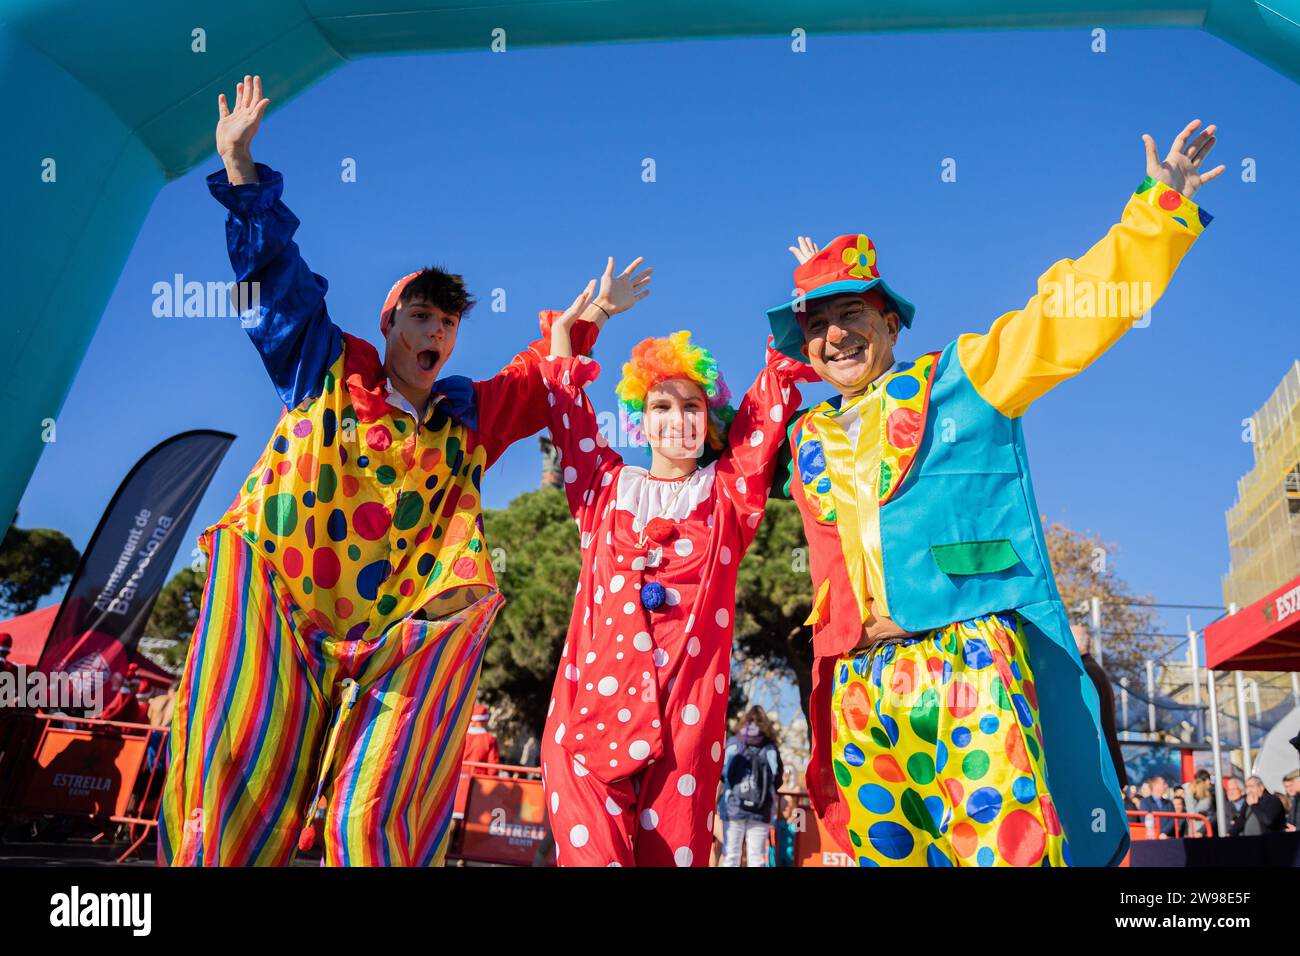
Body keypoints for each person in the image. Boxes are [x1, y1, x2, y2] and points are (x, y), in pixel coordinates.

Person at [158, 75, 609, 867]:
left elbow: (539, 381)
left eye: (448, 321)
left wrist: (585, 324)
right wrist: (238, 170)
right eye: (421, 316)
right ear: (389, 324)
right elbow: (274, 279)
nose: (435, 330)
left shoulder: (467, 416)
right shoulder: (324, 365)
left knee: (376, 822)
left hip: (400, 634)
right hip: (288, 600)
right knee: (228, 785)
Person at [771, 119, 1221, 867]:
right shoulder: (806, 437)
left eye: (850, 314)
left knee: (1004, 853)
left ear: (890, 322)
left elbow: (1069, 316)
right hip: (858, 684)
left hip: (964, 661)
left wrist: (1157, 211)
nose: (834, 336)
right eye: (816, 326)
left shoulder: (962, 380)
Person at [538, 283, 817, 866]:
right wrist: (570, 333)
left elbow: (770, 404)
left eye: (692, 406)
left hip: (684, 733)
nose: (677, 418)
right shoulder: (603, 489)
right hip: (587, 725)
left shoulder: (727, 496)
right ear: (640, 420)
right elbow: (568, 412)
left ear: (710, 420)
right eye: (661, 406)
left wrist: (809, 294)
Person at [718, 706, 785, 867]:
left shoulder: (734, 743)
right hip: (761, 809)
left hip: (733, 806)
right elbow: (777, 779)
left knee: (731, 856)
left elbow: (723, 773)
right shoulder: (770, 748)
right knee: (756, 857)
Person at [1073, 624, 1127, 789]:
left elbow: (1085, 721)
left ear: (1077, 644)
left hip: (1096, 767)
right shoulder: (1093, 670)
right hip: (1104, 764)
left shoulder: (1086, 673)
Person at [460, 704, 501, 775]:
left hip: (458, 779)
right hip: (478, 781)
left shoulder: (461, 736)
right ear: (485, 721)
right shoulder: (490, 739)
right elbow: (493, 769)